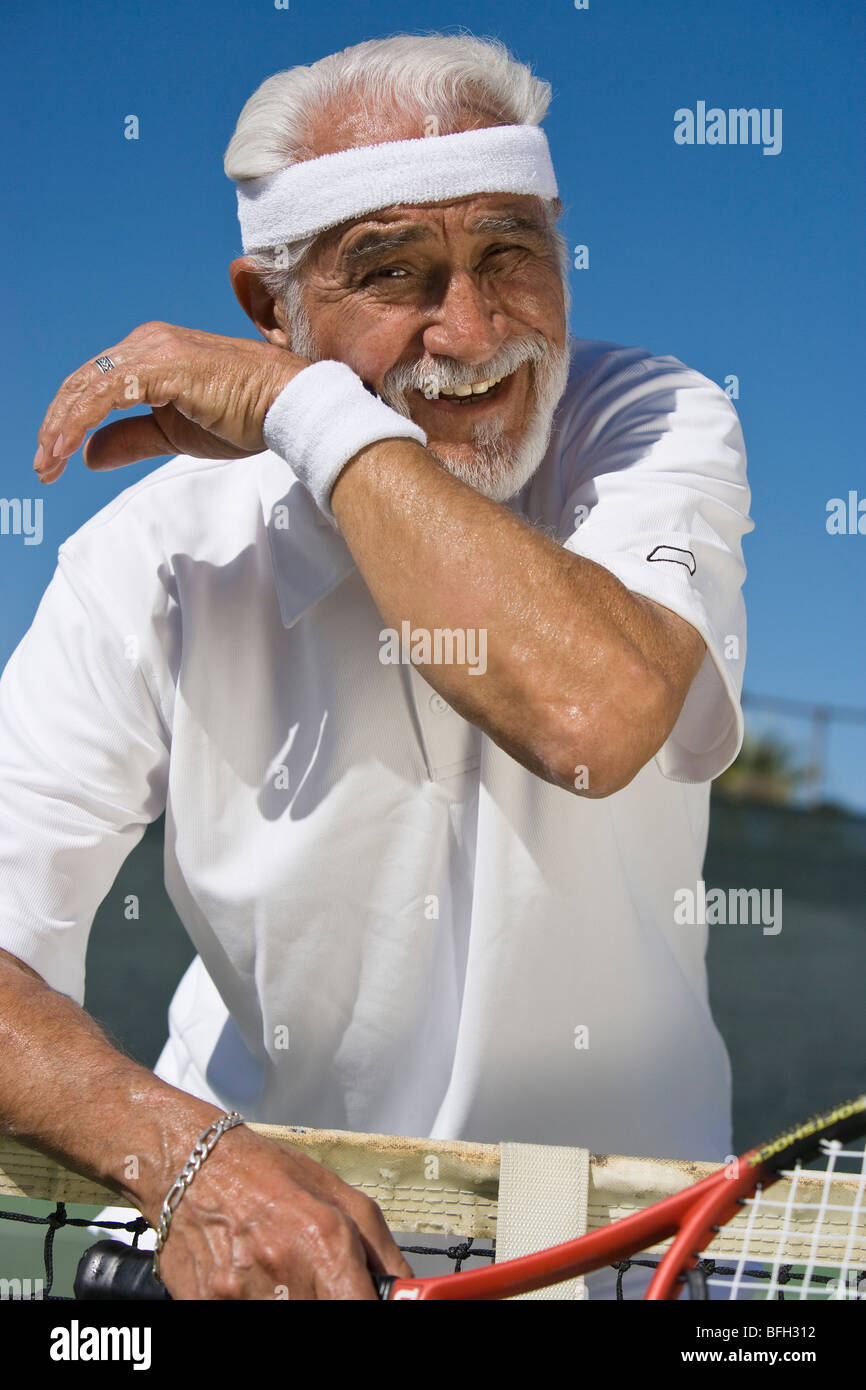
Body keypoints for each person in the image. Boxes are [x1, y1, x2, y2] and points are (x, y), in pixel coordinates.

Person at [0, 33, 752, 1300]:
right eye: (393, 270)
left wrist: (307, 411)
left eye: (509, 253)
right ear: (267, 311)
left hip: (631, 1253)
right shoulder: (148, 552)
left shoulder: (651, 419)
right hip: (257, 1230)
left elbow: (595, 717)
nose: (469, 329)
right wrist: (187, 1162)